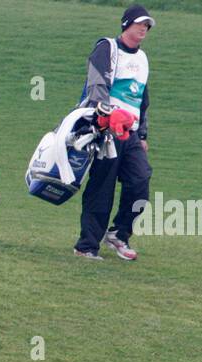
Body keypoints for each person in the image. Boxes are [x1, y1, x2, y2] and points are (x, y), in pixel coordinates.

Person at [73, 4, 154, 261]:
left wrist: (142, 135)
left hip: (129, 133)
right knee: (102, 188)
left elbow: (142, 98)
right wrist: (106, 118)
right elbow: (96, 87)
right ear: (126, 24)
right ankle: (86, 246)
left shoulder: (142, 59)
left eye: (147, 25)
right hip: (105, 129)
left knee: (140, 181)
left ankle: (119, 233)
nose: (144, 28)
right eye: (140, 23)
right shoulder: (107, 48)